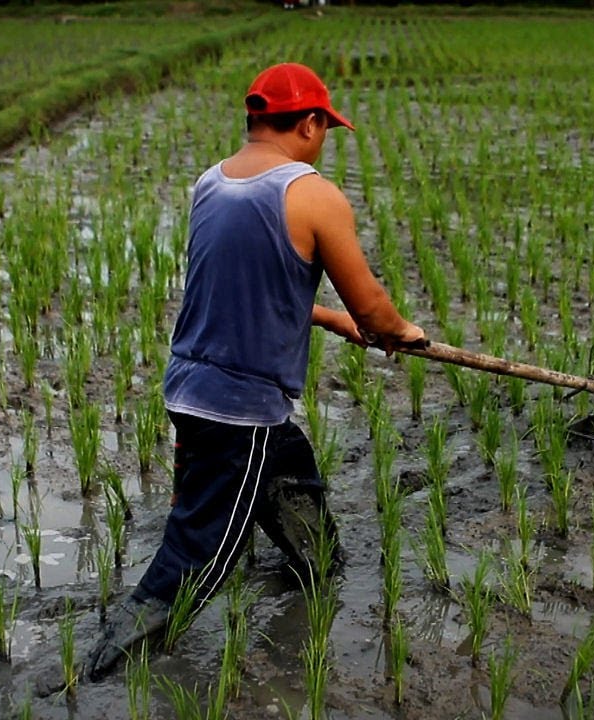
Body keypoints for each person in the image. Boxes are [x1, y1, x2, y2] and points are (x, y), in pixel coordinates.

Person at [85, 62, 425, 680]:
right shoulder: (313, 193)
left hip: (194, 386)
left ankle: (316, 568)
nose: (325, 140)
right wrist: (397, 331)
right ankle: (99, 673)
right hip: (235, 409)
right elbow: (374, 308)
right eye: (327, 127)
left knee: (289, 469)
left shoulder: (211, 182)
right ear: (312, 122)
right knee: (204, 556)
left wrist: (326, 318)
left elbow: (247, 285)